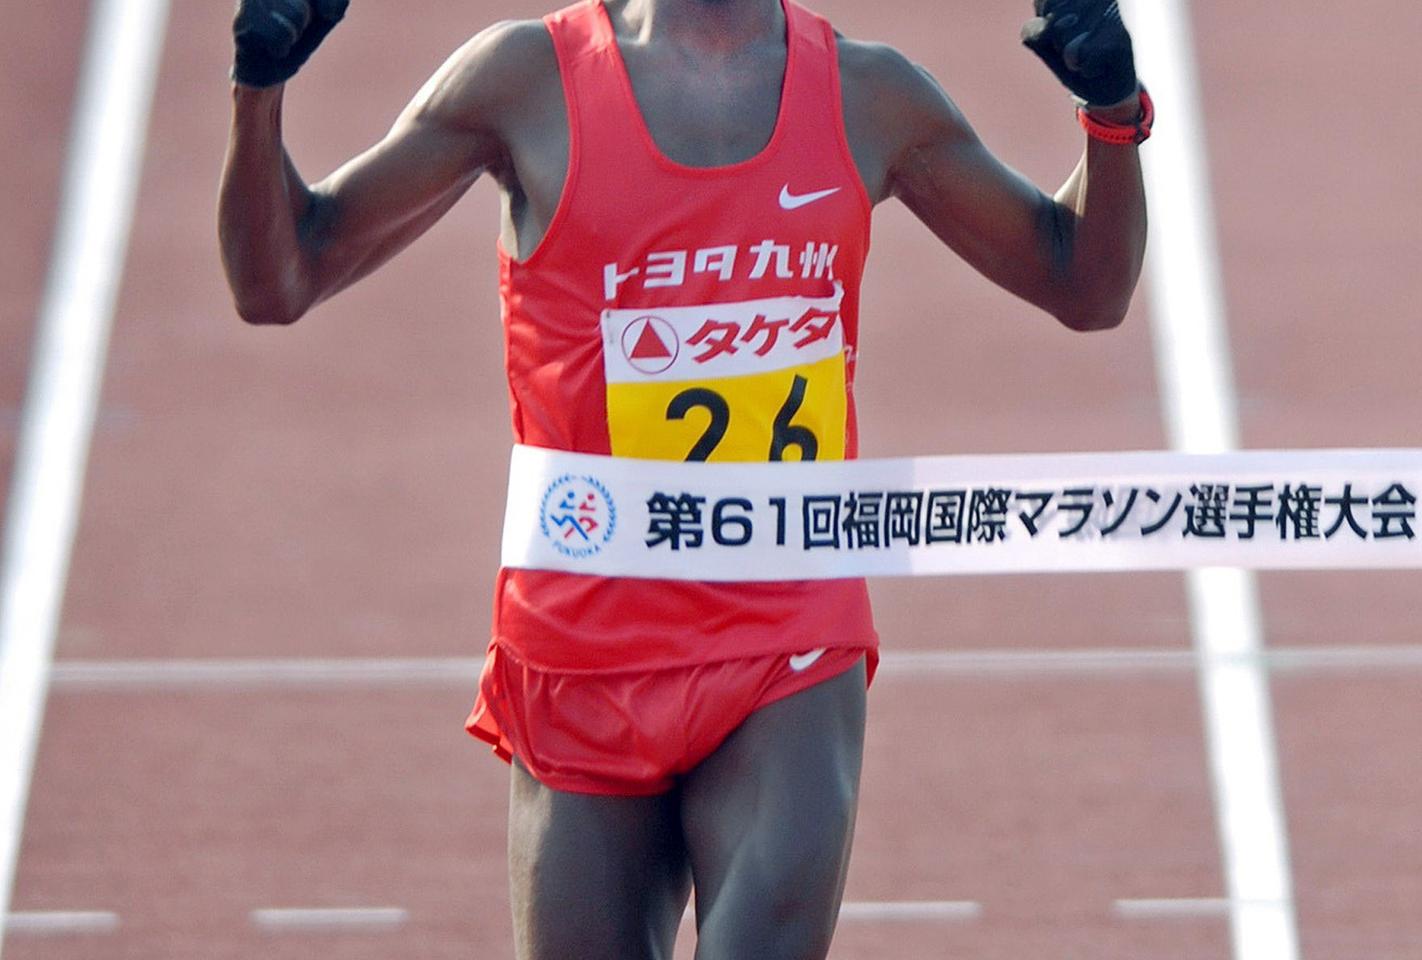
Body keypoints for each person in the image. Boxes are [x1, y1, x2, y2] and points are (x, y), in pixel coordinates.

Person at [218, 0, 1147, 956]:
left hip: (786, 634)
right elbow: (277, 279)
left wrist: (1113, 110)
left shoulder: (868, 96)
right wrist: (260, 87)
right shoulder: (524, 83)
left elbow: (1088, 284)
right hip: (582, 646)